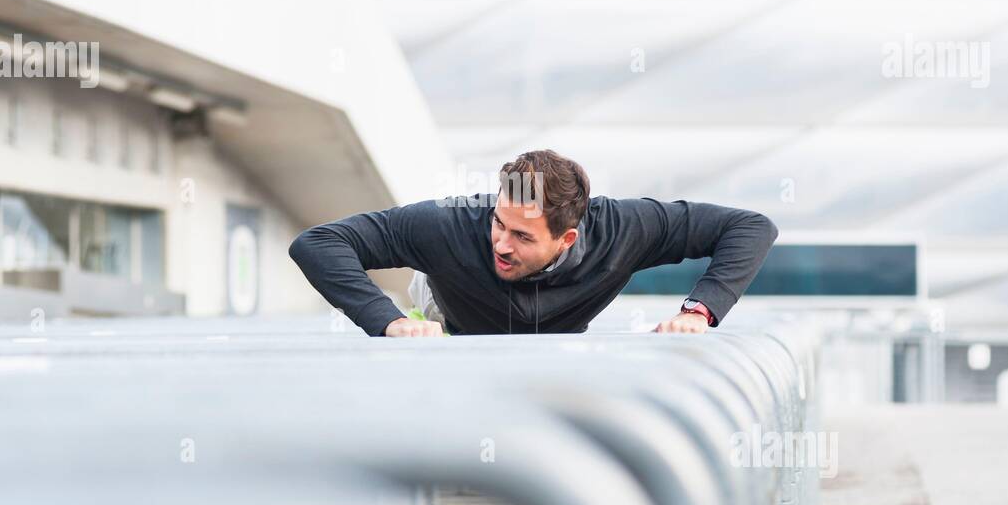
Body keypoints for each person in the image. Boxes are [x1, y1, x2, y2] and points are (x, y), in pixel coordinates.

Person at [289, 149, 778, 337]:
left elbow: (751, 227)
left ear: (566, 238)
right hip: (451, 319)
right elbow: (318, 243)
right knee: (423, 305)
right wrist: (389, 321)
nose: (500, 243)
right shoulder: (450, 224)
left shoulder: (623, 228)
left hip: (555, 339)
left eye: (522, 236)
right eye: (499, 223)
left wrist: (698, 311)